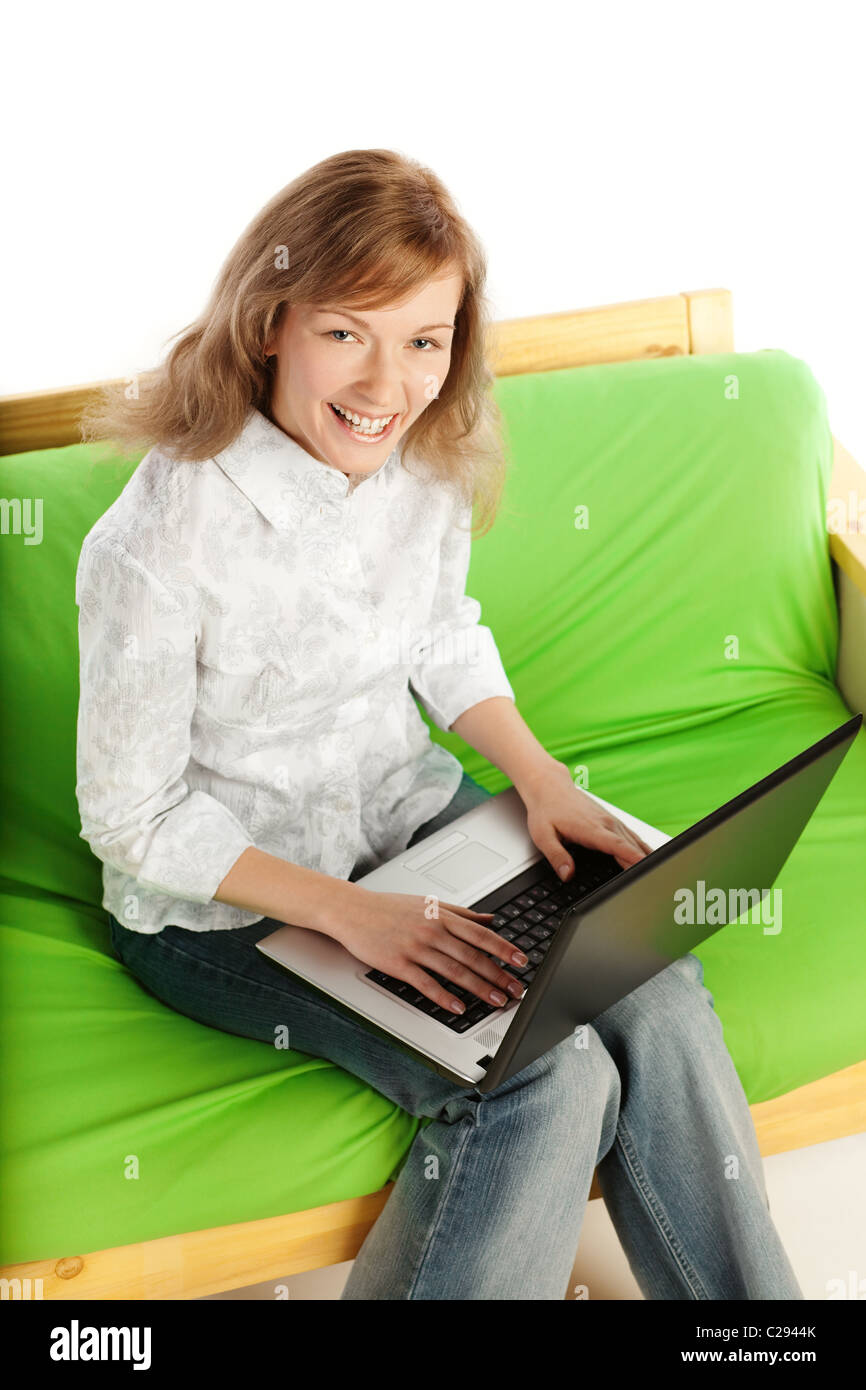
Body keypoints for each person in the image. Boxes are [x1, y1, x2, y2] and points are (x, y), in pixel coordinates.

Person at [75, 148, 803, 1301]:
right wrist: (354, 918)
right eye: (348, 332)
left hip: (408, 825)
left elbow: (436, 635)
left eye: (423, 340)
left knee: (649, 979)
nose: (388, 382)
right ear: (271, 322)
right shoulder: (159, 541)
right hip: (222, 909)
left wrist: (538, 777)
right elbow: (132, 814)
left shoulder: (419, 462)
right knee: (542, 1076)